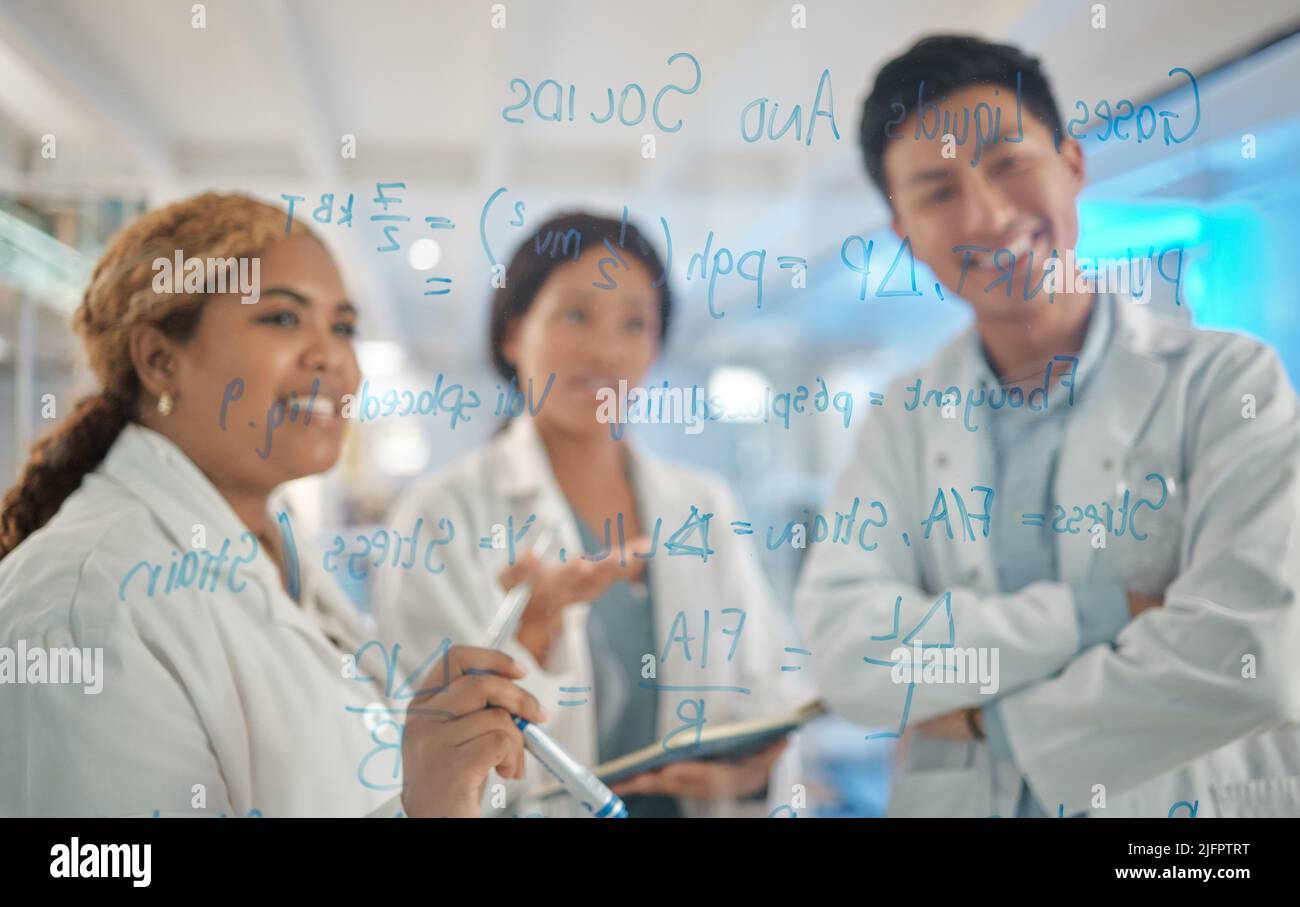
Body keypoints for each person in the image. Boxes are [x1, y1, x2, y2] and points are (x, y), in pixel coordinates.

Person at [795, 35, 1300, 817]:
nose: (989, 215)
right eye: (936, 191)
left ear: (1072, 163)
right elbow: (847, 654)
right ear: (903, 230)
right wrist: (1102, 614)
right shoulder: (901, 420)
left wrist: (977, 718)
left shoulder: (1228, 384)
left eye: (1008, 163)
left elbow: (1250, 657)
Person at [0, 192, 544, 817]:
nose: (332, 357)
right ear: (159, 360)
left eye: (342, 327)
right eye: (283, 319)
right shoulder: (84, 606)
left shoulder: (281, 558)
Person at [375, 212, 808, 818]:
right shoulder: (441, 514)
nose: (606, 349)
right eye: (575, 314)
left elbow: (768, 692)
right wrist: (534, 634)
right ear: (512, 333)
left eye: (635, 323)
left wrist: (750, 778)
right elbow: (433, 755)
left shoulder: (703, 508)